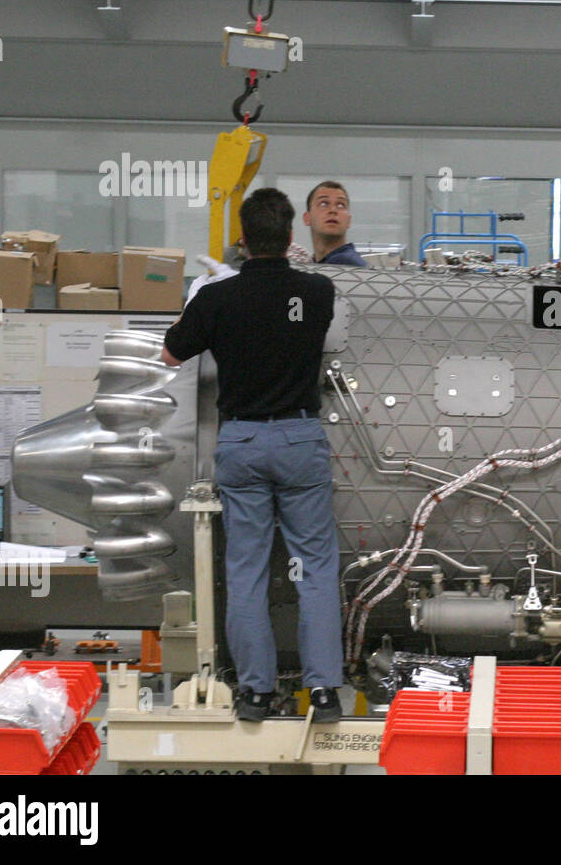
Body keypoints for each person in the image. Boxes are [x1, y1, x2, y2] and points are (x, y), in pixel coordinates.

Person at [161, 187, 344, 723]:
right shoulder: (318, 290)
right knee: (313, 568)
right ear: (292, 236)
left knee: (245, 571)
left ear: (241, 240)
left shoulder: (218, 297)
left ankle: (255, 693)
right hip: (298, 438)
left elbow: (172, 351)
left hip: (240, 442)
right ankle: (325, 691)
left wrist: (209, 291)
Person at [303, 180, 367, 267]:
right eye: (324, 203)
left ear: (348, 221)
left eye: (340, 205)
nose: (333, 210)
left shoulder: (348, 264)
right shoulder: (315, 265)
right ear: (307, 218)